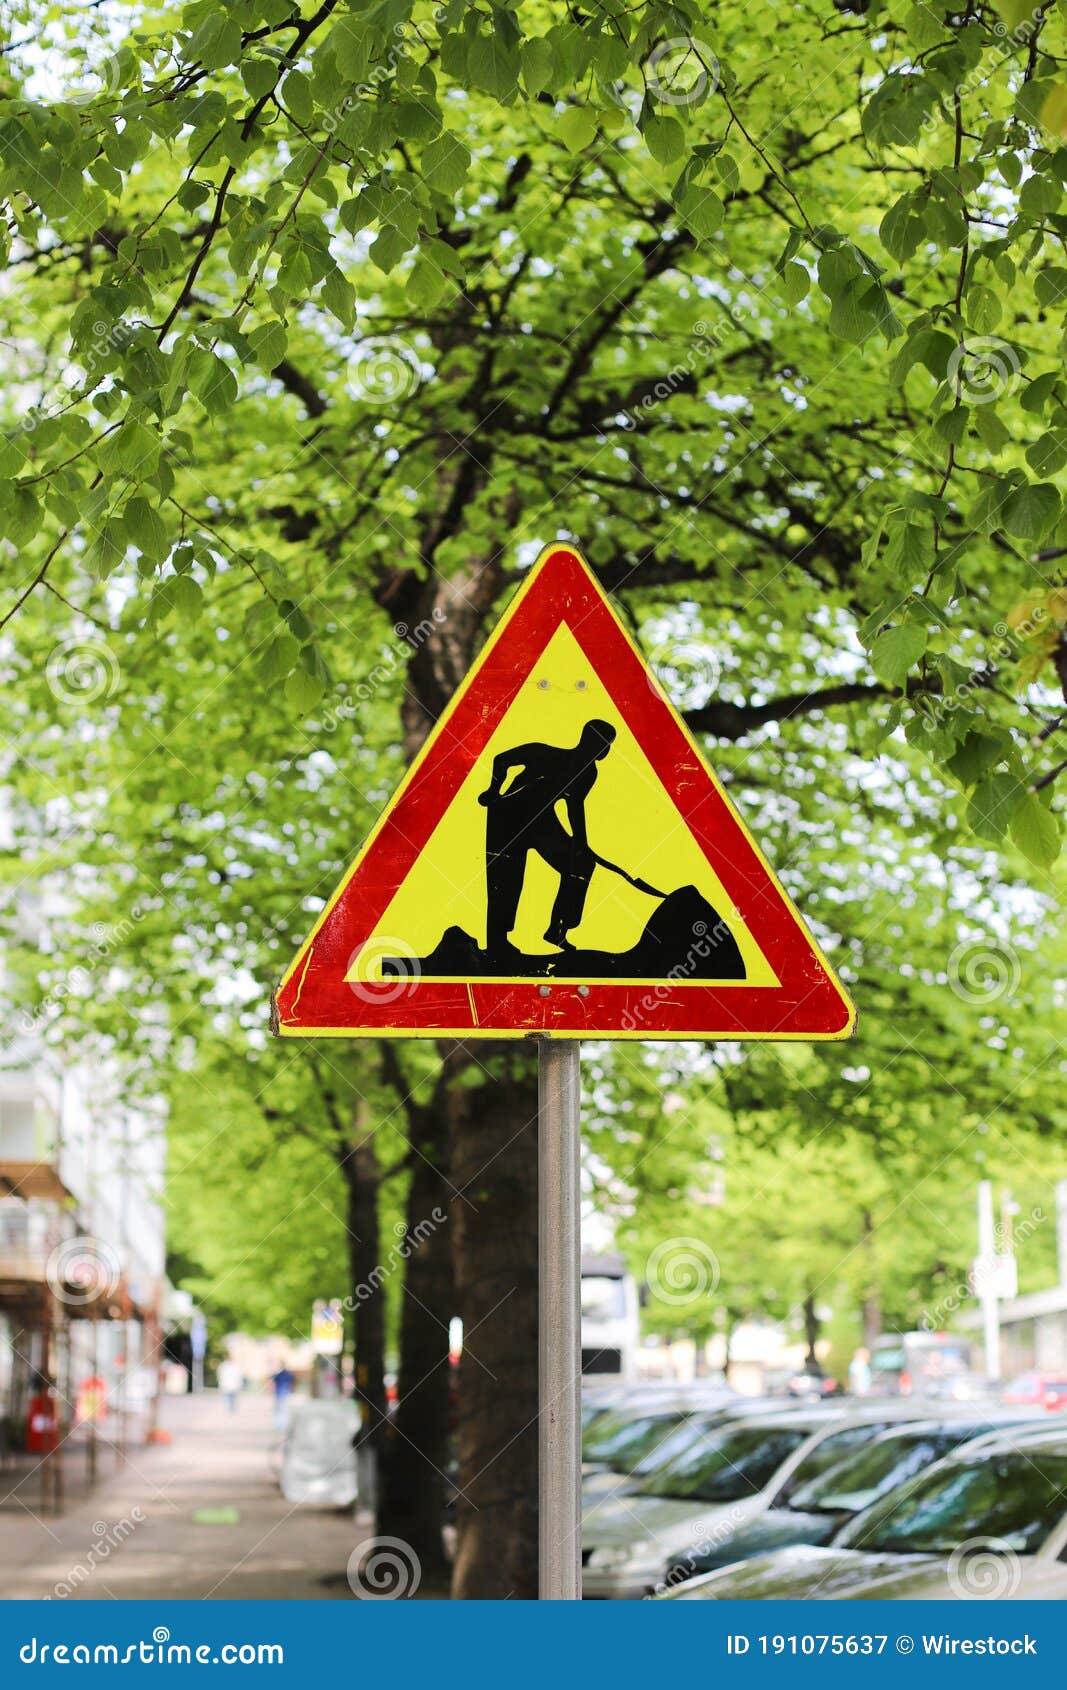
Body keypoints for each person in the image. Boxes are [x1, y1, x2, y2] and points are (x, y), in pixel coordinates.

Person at [478, 719, 617, 959]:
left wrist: (581, 844)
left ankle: (558, 928)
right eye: (603, 743)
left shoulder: (588, 773)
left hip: (542, 822)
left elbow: (575, 806)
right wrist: (494, 790)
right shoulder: (543, 753)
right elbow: (501, 759)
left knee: (581, 864)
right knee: (506, 880)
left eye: (608, 745)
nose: (605, 750)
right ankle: (497, 945)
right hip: (508, 817)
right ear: (588, 741)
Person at [270, 1365, 295, 1431]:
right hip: (285, 1393)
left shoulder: (278, 1374)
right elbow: (291, 1384)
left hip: (279, 1393)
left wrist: (272, 1391)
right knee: (284, 1409)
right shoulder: (288, 1374)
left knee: (279, 1410)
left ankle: (280, 1425)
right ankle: (282, 1425)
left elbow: (273, 1383)